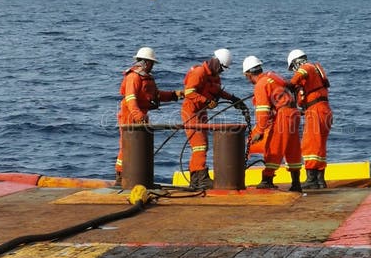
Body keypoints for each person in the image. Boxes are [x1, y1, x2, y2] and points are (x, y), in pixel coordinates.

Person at [115, 47, 182, 183]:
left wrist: (174, 95)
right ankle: (121, 177)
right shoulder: (133, 77)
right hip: (130, 117)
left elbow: (155, 95)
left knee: (139, 147)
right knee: (127, 147)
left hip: (140, 116)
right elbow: (131, 101)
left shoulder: (145, 77)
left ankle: (136, 176)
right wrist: (139, 117)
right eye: (151, 63)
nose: (152, 66)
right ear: (145, 62)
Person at [181, 48, 244, 189]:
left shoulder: (215, 77)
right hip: (190, 112)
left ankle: (195, 180)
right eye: (221, 68)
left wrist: (233, 99)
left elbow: (218, 91)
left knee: (201, 146)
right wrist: (206, 101)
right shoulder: (199, 73)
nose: (221, 71)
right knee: (200, 145)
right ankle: (202, 178)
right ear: (216, 62)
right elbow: (189, 92)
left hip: (201, 113)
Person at [242, 55, 302, 191]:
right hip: (294, 113)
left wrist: (259, 132)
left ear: (248, 74)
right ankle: (296, 183)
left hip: (283, 115)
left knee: (274, 146)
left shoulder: (260, 85)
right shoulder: (273, 76)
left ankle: (267, 179)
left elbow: (262, 113)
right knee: (292, 148)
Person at [287, 49, 332, 189]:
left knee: (309, 144)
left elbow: (300, 74)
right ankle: (320, 180)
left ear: (296, 62)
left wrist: (288, 84)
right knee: (319, 146)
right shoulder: (315, 72)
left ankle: (311, 179)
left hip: (316, 111)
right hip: (324, 111)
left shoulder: (306, 67)